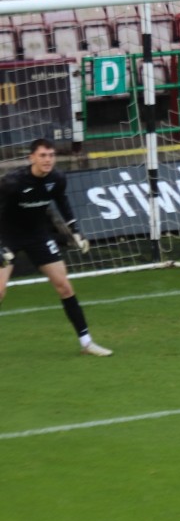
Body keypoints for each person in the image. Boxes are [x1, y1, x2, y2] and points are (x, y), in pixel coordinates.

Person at [0, 138, 112, 357]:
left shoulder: (57, 179)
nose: (47, 160)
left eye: (51, 155)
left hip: (38, 235)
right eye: (42, 155)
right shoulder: (12, 182)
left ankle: (87, 343)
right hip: (7, 236)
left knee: (64, 286)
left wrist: (76, 232)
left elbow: (62, 202)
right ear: (31, 157)